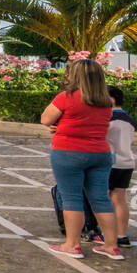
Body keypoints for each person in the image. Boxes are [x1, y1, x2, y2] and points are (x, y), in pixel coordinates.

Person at [40, 59, 122, 260]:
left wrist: (57, 126)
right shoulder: (105, 100)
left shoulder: (66, 97)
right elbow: (90, 122)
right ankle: (112, 246)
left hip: (69, 151)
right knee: (101, 199)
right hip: (101, 153)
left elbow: (45, 119)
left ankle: (72, 244)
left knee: (72, 198)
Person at [105, 85, 136, 249]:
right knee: (119, 198)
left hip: (110, 162)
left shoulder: (108, 118)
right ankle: (122, 235)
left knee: (103, 199)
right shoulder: (130, 119)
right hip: (127, 162)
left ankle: (106, 234)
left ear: (111, 99)